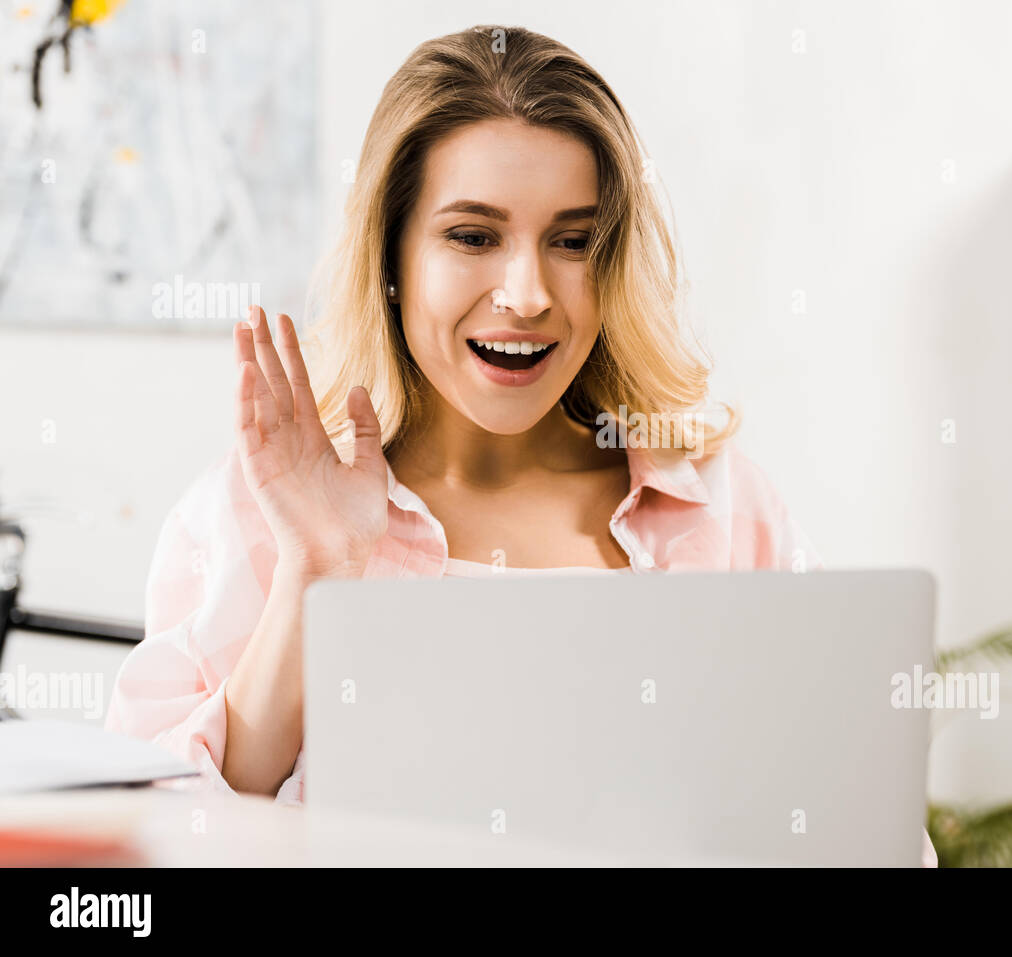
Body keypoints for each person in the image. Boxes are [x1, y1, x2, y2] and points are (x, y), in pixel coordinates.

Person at [104, 24, 938, 868]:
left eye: (572, 241)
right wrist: (314, 576)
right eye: (473, 236)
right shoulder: (258, 514)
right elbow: (147, 843)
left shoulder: (722, 509)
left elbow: (866, 833)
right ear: (391, 258)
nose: (528, 294)